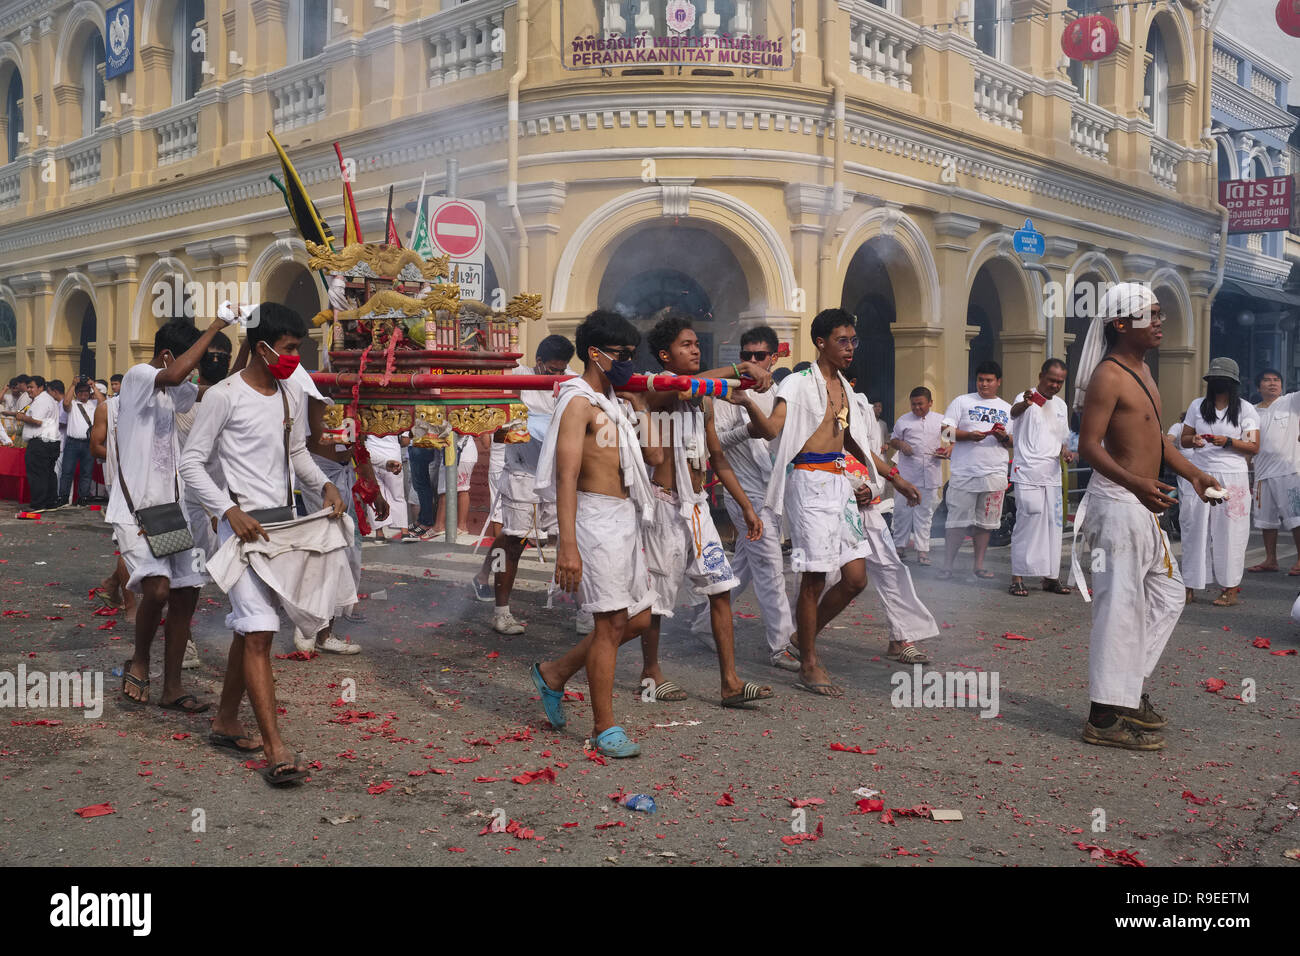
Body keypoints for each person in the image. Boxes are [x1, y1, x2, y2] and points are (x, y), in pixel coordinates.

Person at [179, 303, 348, 783]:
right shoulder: (224, 397)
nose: (296, 357)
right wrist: (227, 511)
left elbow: (297, 455)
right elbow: (192, 464)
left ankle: (225, 720)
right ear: (262, 347)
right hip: (237, 531)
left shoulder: (289, 396)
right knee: (258, 630)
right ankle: (276, 749)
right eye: (291, 348)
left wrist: (324, 486)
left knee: (248, 630)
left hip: (281, 529)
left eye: (299, 348)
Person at [737, 309, 936, 691]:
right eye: (842, 341)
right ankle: (808, 663)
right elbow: (772, 430)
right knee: (813, 578)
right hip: (808, 483)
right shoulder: (796, 384)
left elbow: (856, 445)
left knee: (855, 579)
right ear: (821, 342)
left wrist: (894, 478)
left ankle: (801, 638)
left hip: (841, 482)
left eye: (853, 341)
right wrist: (747, 404)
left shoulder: (846, 389)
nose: (850, 348)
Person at [1071, 283, 1221, 750]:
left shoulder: (1144, 371)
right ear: (1120, 324)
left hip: (1141, 503)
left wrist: (1194, 474)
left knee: (1169, 594)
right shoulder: (1109, 376)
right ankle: (1103, 716)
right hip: (1117, 503)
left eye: (1160, 314)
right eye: (1150, 315)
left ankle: (1125, 691)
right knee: (1119, 608)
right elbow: (1088, 447)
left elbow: (1157, 443)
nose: (1160, 322)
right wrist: (1135, 483)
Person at [530, 310, 664, 757]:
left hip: (626, 519)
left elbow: (656, 457)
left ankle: (555, 672)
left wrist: (640, 403)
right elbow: (565, 476)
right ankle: (604, 727)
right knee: (609, 624)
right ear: (595, 353)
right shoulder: (577, 401)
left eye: (632, 354)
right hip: (593, 519)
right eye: (621, 354)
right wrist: (567, 544)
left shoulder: (618, 403)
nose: (628, 362)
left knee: (639, 619)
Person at [628, 311, 775, 708]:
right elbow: (678, 389)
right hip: (662, 508)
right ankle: (650, 673)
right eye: (686, 345)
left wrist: (746, 507)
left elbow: (717, 458)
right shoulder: (655, 392)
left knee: (721, 589)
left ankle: (729, 681)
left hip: (697, 510)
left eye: (696, 344)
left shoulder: (703, 400)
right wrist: (736, 368)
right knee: (657, 600)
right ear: (664, 355)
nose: (695, 350)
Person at [110, 316, 235, 712]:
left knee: (184, 595)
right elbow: (179, 371)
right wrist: (217, 325)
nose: (193, 369)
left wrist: (245, 342)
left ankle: (173, 686)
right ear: (166, 355)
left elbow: (211, 389)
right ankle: (142, 660)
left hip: (169, 512)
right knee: (158, 589)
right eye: (190, 358)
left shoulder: (172, 391)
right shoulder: (137, 376)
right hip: (135, 511)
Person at [690, 325, 799, 670]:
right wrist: (746, 420)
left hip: (774, 488)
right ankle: (782, 643)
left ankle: (702, 621)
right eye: (746, 356)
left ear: (774, 357)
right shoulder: (724, 391)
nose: (753, 362)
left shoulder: (779, 391)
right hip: (742, 491)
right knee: (769, 565)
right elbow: (716, 446)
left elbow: (777, 435)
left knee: (748, 565)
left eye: (760, 356)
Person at [470, 334, 575, 634]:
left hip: (556, 472)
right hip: (521, 468)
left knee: (567, 536)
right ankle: (501, 611)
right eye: (551, 370)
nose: (556, 376)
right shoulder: (519, 376)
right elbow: (501, 427)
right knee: (515, 539)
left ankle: (583, 608)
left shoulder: (572, 380)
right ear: (538, 362)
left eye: (561, 370)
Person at [1177, 358, 1258, 607]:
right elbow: (1184, 439)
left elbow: (1254, 446)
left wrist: (1228, 442)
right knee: (1194, 530)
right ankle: (1189, 585)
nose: (1217, 384)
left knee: (1231, 532)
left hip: (1232, 477)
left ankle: (1230, 588)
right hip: (1200, 473)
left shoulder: (1245, 409)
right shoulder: (1197, 405)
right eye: (1214, 380)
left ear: (1233, 384)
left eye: (1222, 381)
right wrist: (1196, 440)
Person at [1008, 359, 1077, 597]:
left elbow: (1061, 438)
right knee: (1027, 522)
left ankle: (1050, 577)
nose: (1056, 385)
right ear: (1041, 376)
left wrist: (1066, 452)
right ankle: (1017, 577)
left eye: (1060, 381)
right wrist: (1025, 404)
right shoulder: (1026, 398)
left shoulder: (1060, 405)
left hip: (1052, 475)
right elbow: (1013, 413)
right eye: (1052, 380)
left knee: (1053, 527)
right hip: (1027, 471)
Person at [938, 362, 1013, 580]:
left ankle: (978, 566)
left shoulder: (1008, 409)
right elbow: (945, 433)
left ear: (998, 382)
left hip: (995, 474)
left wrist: (1003, 437)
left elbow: (1014, 441)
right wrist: (969, 436)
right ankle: (947, 566)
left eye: (989, 380)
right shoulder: (962, 401)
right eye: (981, 379)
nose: (984, 384)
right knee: (956, 522)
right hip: (964, 473)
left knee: (985, 523)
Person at [1246, 369, 1300, 574]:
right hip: (1261, 473)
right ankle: (1270, 560)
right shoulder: (1250, 411)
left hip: (1289, 471)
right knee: (1265, 520)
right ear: (1258, 386)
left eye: (1276, 380)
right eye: (1267, 380)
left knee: (1297, 517)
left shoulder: (1291, 401)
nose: (1272, 383)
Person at [88, 389, 136, 620]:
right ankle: (131, 606)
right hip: (120, 483)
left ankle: (111, 584)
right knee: (129, 544)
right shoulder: (107, 408)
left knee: (143, 542)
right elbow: (95, 446)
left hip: (152, 483)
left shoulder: (159, 403)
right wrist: (125, 456)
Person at [889, 386, 945, 565]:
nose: (917, 408)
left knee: (924, 513)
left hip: (930, 473)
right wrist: (901, 445)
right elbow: (893, 440)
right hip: (906, 476)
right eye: (913, 404)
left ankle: (923, 551)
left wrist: (946, 451)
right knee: (902, 512)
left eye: (920, 404)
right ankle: (899, 547)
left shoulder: (941, 420)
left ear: (930, 403)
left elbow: (952, 440)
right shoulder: (903, 420)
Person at [2, 376, 61, 510]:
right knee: (48, 472)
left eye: (31, 387)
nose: (29, 390)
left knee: (38, 473)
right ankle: (50, 502)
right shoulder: (46, 399)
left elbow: (37, 420)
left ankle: (39, 503)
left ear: (40, 387)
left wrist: (22, 417)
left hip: (41, 442)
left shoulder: (42, 400)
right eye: (28, 387)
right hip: (50, 441)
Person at [364, 429, 411, 542]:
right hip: (393, 455)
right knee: (397, 495)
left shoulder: (365, 412)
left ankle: (379, 534)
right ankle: (404, 532)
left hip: (371, 454)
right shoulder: (400, 414)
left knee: (374, 494)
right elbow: (405, 441)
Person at [57, 378, 97, 506]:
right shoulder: (73, 404)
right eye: (80, 392)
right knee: (67, 471)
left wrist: (94, 387)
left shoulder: (94, 404)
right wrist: (73, 384)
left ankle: (83, 497)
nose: (83, 394)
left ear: (89, 393)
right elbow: (66, 402)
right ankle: (63, 497)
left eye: (86, 392)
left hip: (88, 443)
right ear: (77, 393)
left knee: (86, 472)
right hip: (72, 443)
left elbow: (104, 402)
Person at [431, 433, 478, 543]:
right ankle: (461, 526)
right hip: (464, 452)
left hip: (458, 452)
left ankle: (440, 525)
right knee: (462, 489)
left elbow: (458, 431)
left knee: (446, 490)